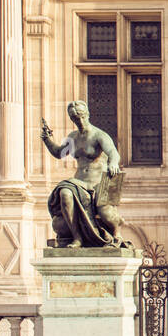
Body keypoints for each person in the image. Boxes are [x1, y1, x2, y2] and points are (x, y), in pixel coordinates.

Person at [41, 101, 129, 248]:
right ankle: (77, 238)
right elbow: (59, 153)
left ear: (87, 114)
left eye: (81, 116)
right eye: (75, 118)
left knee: (105, 213)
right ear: (71, 119)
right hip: (79, 182)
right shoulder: (73, 137)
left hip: (98, 182)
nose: (79, 120)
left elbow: (113, 153)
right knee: (64, 193)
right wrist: (47, 139)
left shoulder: (99, 135)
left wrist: (113, 163)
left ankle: (116, 232)